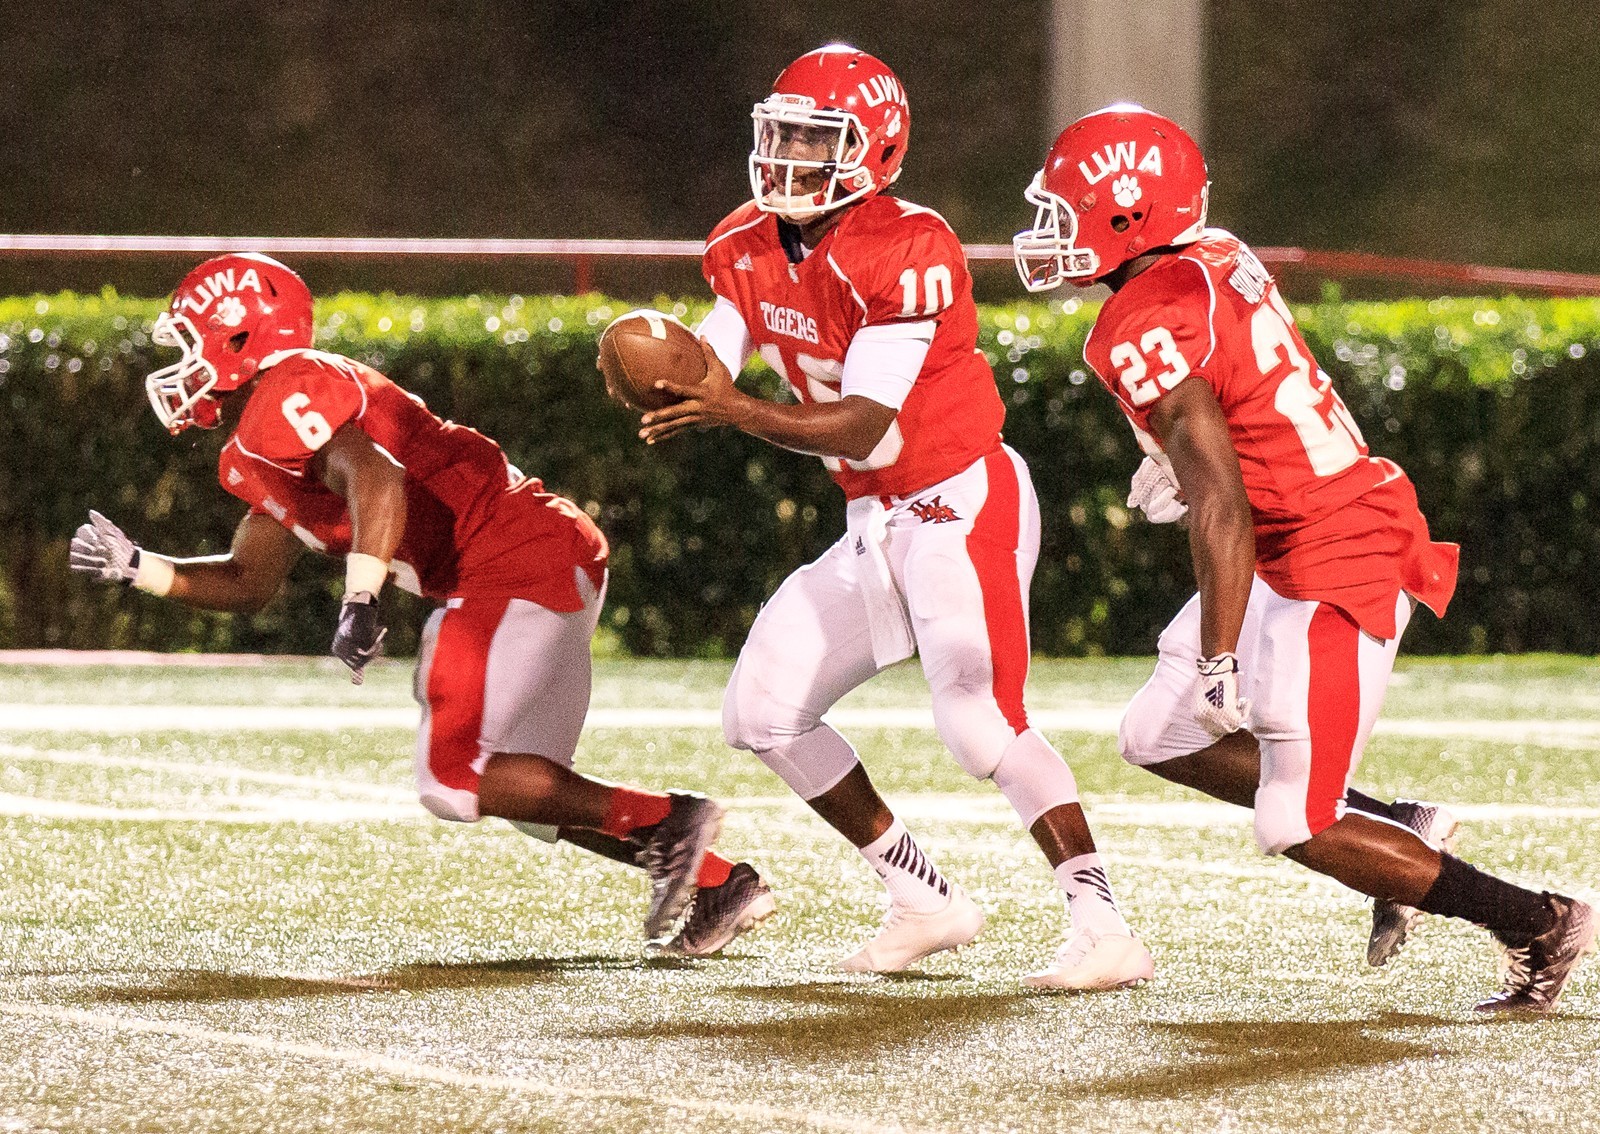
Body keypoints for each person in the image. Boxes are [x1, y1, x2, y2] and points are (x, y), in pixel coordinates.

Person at [1012, 104, 1594, 1011]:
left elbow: (1222, 504)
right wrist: (1173, 455)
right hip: (1300, 534)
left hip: (1339, 555)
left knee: (1297, 820)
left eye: (1066, 208)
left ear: (1129, 217)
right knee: (1154, 735)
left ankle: (1538, 919)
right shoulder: (1211, 257)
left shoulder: (1142, 319)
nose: (1048, 230)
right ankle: (1399, 822)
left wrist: (1219, 654)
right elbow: (1236, 412)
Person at [69, 252, 774, 956]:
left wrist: (360, 596)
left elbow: (377, 479)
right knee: (522, 793)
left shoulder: (292, 389)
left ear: (241, 337)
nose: (183, 365)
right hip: (540, 556)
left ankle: (673, 816)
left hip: (510, 561)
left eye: (193, 342)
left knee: (451, 778)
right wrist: (141, 569)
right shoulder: (259, 448)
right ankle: (719, 882)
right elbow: (251, 580)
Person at [638, 45, 1151, 989]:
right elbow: (712, 358)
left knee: (978, 724)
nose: (789, 154)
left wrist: (733, 410)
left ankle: (1102, 924)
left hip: (959, 499)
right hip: (876, 521)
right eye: (781, 131)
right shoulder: (744, 243)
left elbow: (867, 426)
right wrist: (660, 368)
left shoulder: (909, 246)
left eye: (815, 137)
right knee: (763, 711)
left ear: (874, 150)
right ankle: (923, 898)